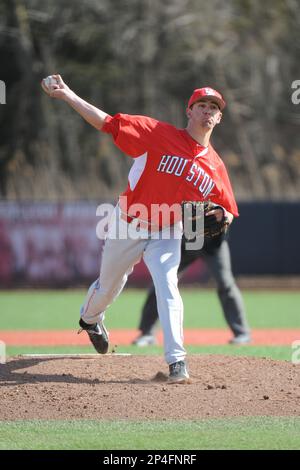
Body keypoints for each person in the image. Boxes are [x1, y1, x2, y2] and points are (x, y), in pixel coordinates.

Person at [41, 76, 239, 384]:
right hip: (129, 222)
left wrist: (223, 217)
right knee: (109, 284)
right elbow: (107, 123)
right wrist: (68, 95)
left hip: (167, 230)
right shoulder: (157, 133)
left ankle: (177, 361)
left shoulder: (215, 165)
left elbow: (227, 207)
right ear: (189, 111)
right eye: (201, 105)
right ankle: (91, 320)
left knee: (168, 284)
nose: (207, 111)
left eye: (214, 107)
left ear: (220, 117)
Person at [133, 235, 251, 347]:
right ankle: (147, 334)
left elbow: (230, 214)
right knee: (161, 282)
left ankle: (242, 333)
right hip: (184, 244)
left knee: (226, 283)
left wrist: (225, 215)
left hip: (213, 243)